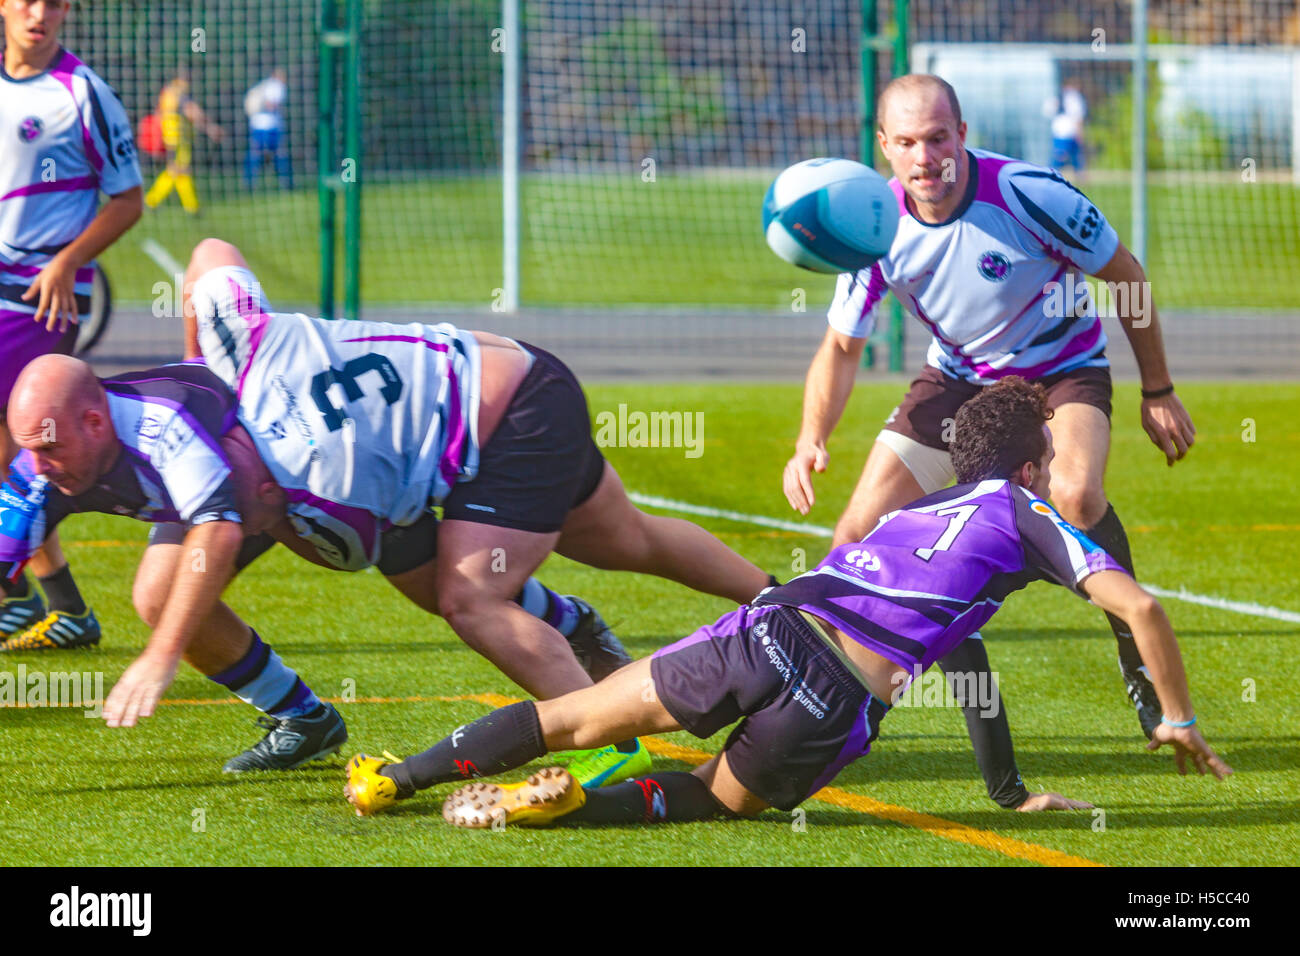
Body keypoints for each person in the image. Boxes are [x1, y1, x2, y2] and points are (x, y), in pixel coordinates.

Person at [342, 378, 1231, 826]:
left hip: (771, 627)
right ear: (1032, 469)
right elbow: (1141, 608)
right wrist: (1177, 718)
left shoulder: (920, 515)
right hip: (832, 697)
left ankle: (395, 778)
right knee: (709, 799)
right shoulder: (1027, 513)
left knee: (575, 715)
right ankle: (578, 807)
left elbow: (963, 645)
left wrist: (1006, 786)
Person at [782, 74, 1196, 811]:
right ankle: (822, 718)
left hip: (1063, 371)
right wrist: (811, 438)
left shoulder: (1032, 194)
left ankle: (1138, 666)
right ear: (884, 147)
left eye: (939, 138)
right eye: (907, 142)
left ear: (962, 133)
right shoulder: (873, 226)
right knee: (852, 537)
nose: (926, 157)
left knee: (1073, 494)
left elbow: (1125, 275)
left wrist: (1157, 389)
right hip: (958, 381)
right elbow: (842, 346)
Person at [0, 355, 632, 777]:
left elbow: (217, 532)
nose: (38, 464)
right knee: (159, 595)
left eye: (48, 448)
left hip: (303, 473)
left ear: (94, 421)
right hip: (221, 500)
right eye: (29, 450)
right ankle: (302, 718)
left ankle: (566, 620)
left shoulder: (161, 425)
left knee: (445, 592)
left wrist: (161, 656)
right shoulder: (41, 465)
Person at [0, 0, 142, 650]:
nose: (40, 12)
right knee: (16, 462)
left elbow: (129, 199)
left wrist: (68, 260)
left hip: (39, 300)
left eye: (54, 2)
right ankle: (57, 605)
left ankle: (30, 597)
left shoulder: (84, 94)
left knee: (11, 455)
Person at [143, 70, 223, 214]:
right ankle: (152, 201)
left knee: (178, 171)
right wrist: (210, 128)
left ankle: (189, 206)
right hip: (179, 138)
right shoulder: (180, 92)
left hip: (170, 136)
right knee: (178, 170)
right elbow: (192, 111)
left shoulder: (167, 92)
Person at [243, 68, 291, 188]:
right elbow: (271, 105)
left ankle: (248, 183)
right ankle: (287, 183)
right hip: (270, 127)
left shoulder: (263, 85)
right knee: (279, 154)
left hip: (257, 125)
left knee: (255, 154)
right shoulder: (277, 86)